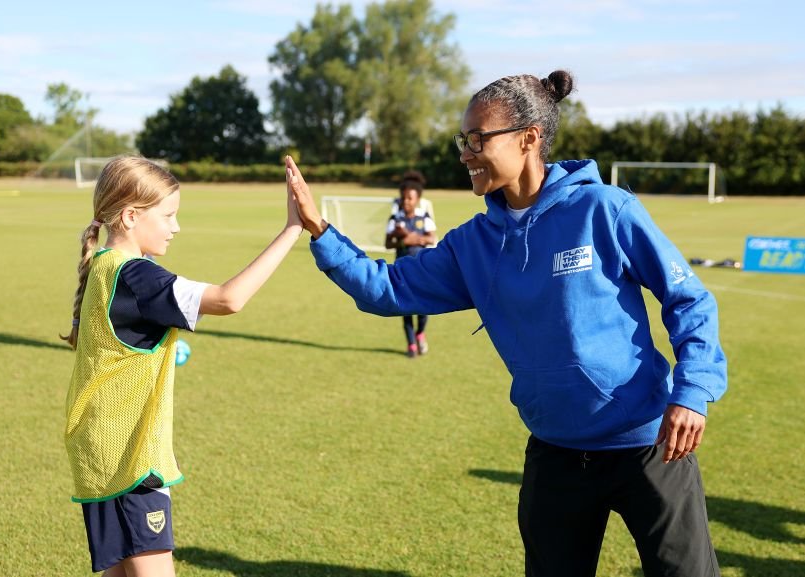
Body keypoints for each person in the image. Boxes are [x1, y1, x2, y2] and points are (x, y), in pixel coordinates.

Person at [285, 69, 727, 577]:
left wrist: (692, 391)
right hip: (555, 453)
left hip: (647, 446)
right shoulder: (471, 243)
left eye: (478, 139)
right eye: (463, 140)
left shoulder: (605, 208)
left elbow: (688, 299)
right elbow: (389, 289)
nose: (465, 153)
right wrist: (320, 230)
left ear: (528, 138)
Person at [61, 155, 302, 576]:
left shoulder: (103, 264)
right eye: (168, 215)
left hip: (98, 452)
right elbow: (230, 299)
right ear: (132, 216)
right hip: (132, 458)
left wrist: (164, 349)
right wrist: (292, 229)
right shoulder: (138, 277)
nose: (176, 227)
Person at [385, 172, 437, 357]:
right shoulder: (395, 220)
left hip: (422, 270)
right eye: (404, 198)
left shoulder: (424, 217)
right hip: (401, 271)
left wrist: (415, 238)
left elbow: (432, 237)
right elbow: (387, 243)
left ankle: (420, 332)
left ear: (418, 199)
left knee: (424, 308)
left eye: (410, 198)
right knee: (405, 308)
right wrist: (402, 241)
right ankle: (411, 345)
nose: (406, 201)